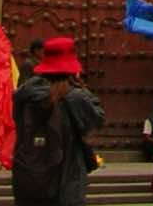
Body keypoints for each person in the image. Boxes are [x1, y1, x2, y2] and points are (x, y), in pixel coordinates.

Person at [13, 36, 104, 206]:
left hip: (29, 178)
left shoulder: (24, 95)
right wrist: (81, 87)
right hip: (65, 181)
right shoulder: (75, 97)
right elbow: (97, 118)